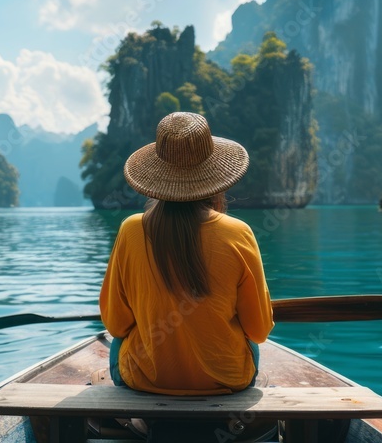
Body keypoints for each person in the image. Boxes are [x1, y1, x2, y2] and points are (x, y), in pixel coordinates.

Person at [99, 111, 273, 395]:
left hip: (146, 381)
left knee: (119, 340)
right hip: (226, 381)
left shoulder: (131, 230)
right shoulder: (239, 232)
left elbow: (116, 325)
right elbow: (259, 331)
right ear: (215, 176)